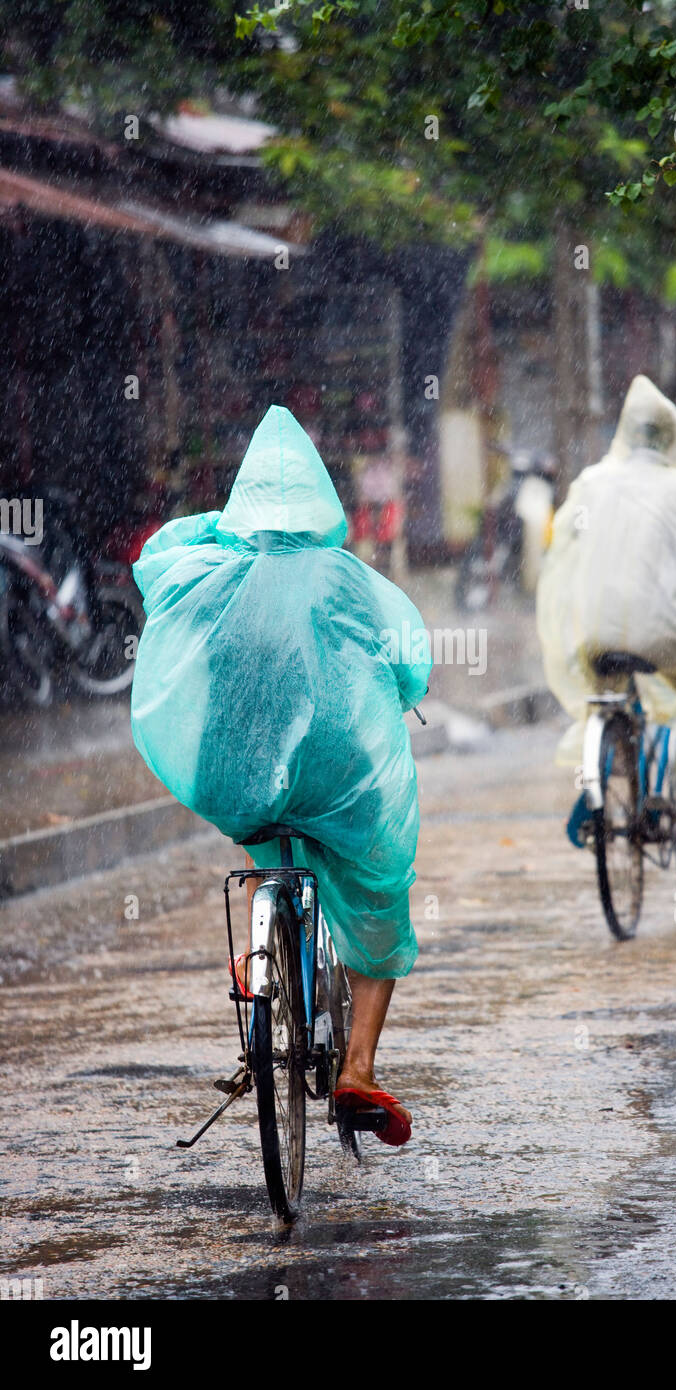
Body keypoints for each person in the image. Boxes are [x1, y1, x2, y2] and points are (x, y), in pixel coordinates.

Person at [130, 405, 431, 1145]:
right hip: (341, 778)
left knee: (263, 816)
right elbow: (409, 663)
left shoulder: (211, 575)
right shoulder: (348, 581)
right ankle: (358, 1068)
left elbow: (157, 560)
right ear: (319, 501)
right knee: (376, 897)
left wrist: (221, 533)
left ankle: (260, 947)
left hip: (240, 775)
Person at [537, 375, 676, 832]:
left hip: (593, 632)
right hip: (668, 634)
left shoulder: (591, 482)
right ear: (672, 440)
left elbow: (560, 552)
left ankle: (601, 777)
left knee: (610, 696)